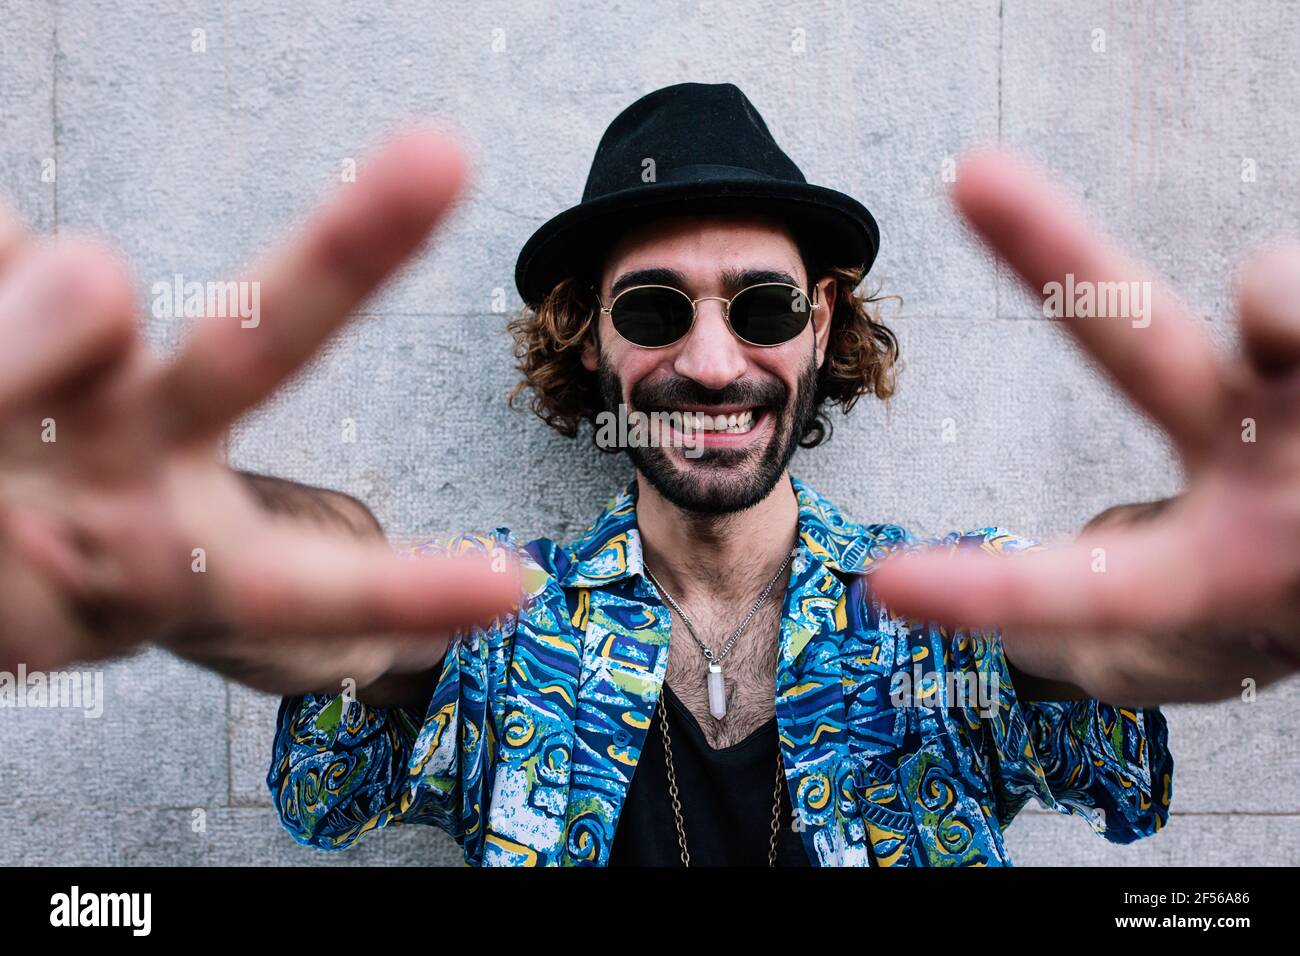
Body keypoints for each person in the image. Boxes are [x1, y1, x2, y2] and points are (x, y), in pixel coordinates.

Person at [2, 83, 1296, 866]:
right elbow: (339, 583)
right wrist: (185, 541)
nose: (715, 360)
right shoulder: (505, 625)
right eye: (658, 309)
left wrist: (1243, 595)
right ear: (594, 341)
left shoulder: (948, 613)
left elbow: (1129, 619)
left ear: (826, 326)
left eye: (767, 304)